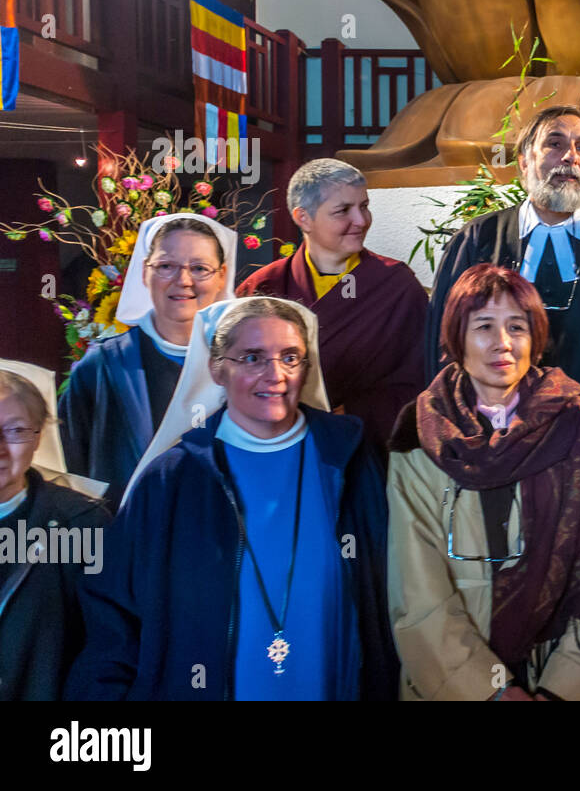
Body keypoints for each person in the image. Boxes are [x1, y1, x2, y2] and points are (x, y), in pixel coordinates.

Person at [66, 297, 398, 700]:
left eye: (290, 357)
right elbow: (114, 617)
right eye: (253, 358)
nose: (275, 374)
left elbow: (396, 590)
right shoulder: (170, 481)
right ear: (217, 368)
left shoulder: (351, 457)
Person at [387, 264, 580, 701]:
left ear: (535, 337)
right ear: (456, 337)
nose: (502, 343)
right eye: (483, 326)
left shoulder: (576, 425)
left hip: (552, 672)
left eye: (517, 326)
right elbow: (416, 590)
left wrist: (563, 688)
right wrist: (492, 691)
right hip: (452, 681)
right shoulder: (420, 437)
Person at [427, 106, 580, 427]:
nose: (570, 157)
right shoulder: (477, 239)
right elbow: (445, 345)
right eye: (555, 143)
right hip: (488, 435)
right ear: (524, 160)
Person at [238, 158, 428, 454]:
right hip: (272, 447)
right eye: (343, 211)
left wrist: (347, 414)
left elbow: (421, 382)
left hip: (363, 451)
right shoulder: (263, 288)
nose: (362, 220)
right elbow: (234, 374)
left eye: (364, 206)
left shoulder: (396, 285)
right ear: (304, 218)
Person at [60, 213, 236, 511]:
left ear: (222, 275)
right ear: (144, 272)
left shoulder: (244, 363)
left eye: (200, 268)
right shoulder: (102, 365)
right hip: (128, 537)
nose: (183, 280)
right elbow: (68, 468)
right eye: (166, 266)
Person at [0, 365, 111, 701]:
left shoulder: (83, 524)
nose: (1, 449)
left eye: (15, 431)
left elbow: (109, 647)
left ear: (38, 438)